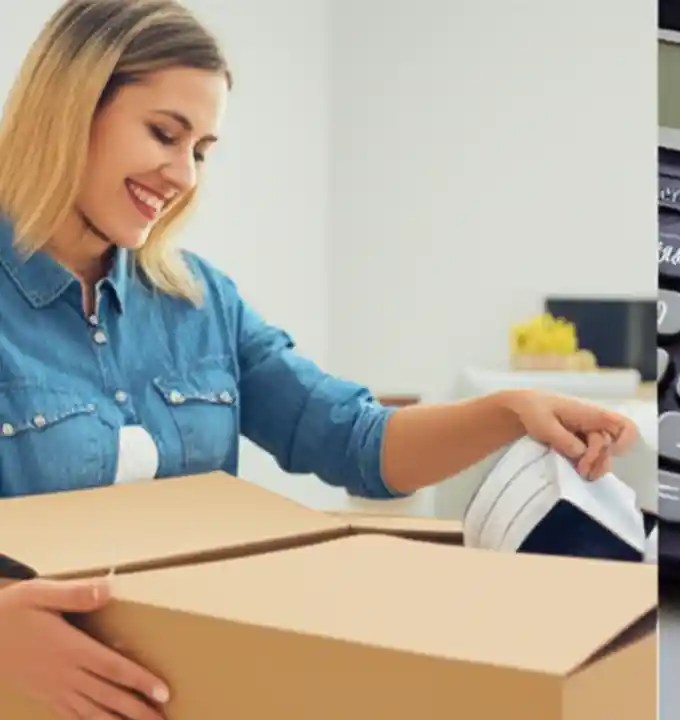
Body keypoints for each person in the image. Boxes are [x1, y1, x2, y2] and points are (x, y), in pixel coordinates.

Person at [0, 1, 640, 718]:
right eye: (164, 133)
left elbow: (353, 440)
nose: (183, 174)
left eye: (202, 150)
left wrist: (509, 412)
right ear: (71, 107)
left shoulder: (199, 303)